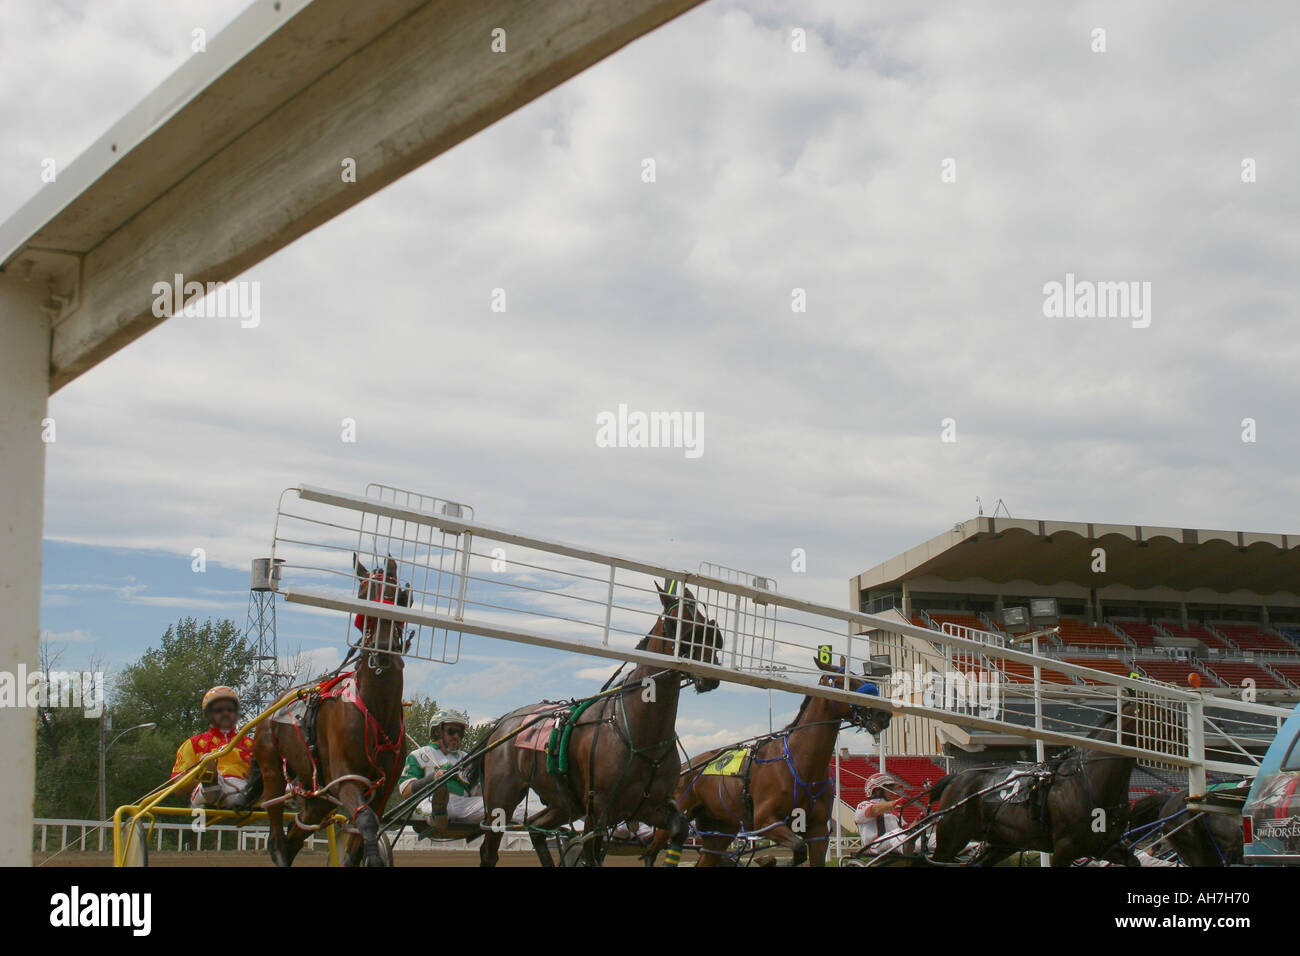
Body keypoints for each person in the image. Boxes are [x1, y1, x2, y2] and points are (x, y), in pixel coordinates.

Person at [171, 686, 256, 809]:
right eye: (219, 710)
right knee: (208, 762)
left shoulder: (252, 745)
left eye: (230, 709)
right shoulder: (193, 744)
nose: (225, 713)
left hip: (244, 791)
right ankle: (211, 783)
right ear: (209, 714)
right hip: (205, 796)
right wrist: (203, 776)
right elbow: (178, 788)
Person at [398, 711, 483, 831]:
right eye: (452, 731)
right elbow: (405, 791)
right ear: (437, 731)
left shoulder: (467, 758)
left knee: (499, 807)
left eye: (460, 732)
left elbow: (477, 792)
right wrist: (432, 778)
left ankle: (515, 818)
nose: (456, 736)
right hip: (427, 801)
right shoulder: (418, 755)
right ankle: (439, 814)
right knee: (437, 801)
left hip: (462, 804)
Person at [854, 773, 911, 856]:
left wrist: (919, 820)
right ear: (877, 790)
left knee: (931, 838)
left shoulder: (894, 811)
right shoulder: (863, 805)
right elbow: (873, 810)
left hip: (896, 841)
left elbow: (907, 830)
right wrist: (895, 803)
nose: (893, 792)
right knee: (897, 834)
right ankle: (910, 851)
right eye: (890, 788)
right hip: (874, 846)